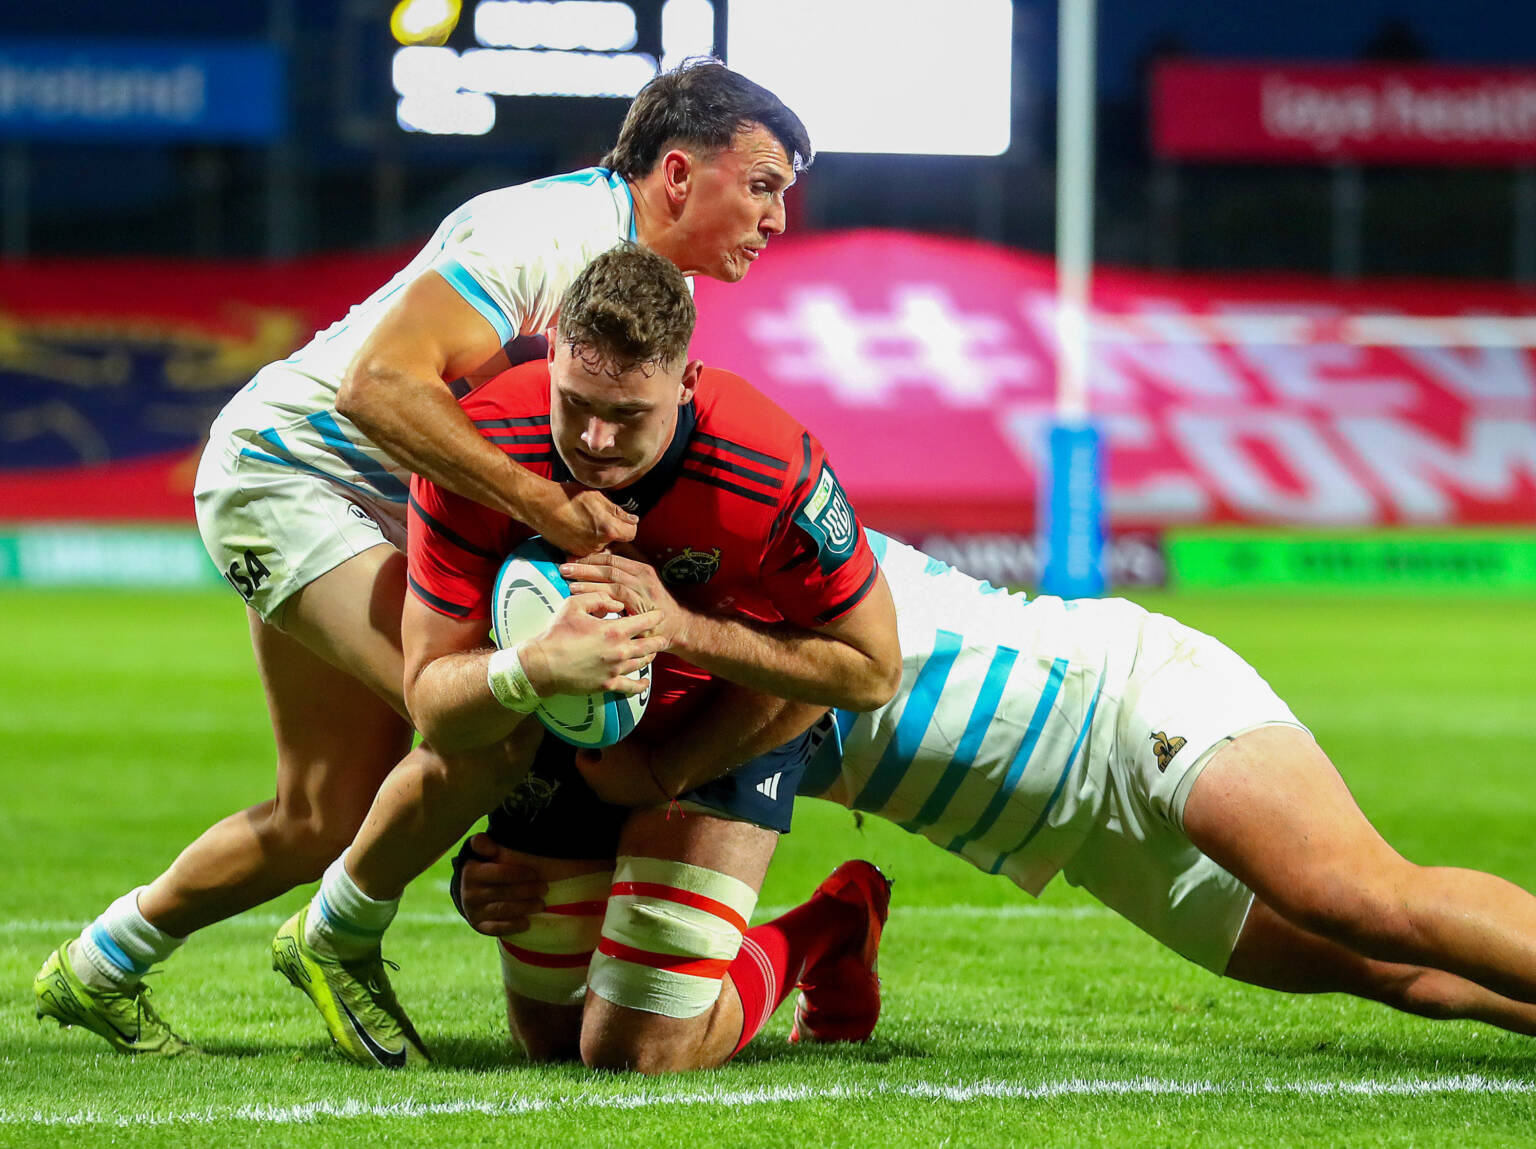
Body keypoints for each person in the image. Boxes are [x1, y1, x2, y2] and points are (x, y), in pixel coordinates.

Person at [33, 58, 814, 1056]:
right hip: (294, 481)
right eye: (762, 186)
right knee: (489, 714)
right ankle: (337, 938)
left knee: (323, 814)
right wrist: (549, 510)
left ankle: (100, 968)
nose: (777, 218)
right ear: (676, 172)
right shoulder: (545, 237)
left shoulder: (637, 280)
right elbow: (379, 389)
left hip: (363, 499)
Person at [463, 529, 1536, 1045]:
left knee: (1356, 897)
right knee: (1400, 976)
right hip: (1083, 841)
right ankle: (832, 928)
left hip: (1123, 699)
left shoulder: (766, 566)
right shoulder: (663, 661)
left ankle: (829, 932)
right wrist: (491, 872)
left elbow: (690, 758)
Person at [270, 243, 901, 1069]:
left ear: (685, 381)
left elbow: (870, 668)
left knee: (638, 1049)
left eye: (629, 415)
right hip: (563, 716)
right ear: (556, 351)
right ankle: (626, 885)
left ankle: (826, 927)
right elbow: (432, 700)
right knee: (552, 1041)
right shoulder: (481, 449)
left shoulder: (768, 464)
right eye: (575, 402)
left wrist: (679, 635)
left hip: (725, 715)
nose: (595, 437)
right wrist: (533, 671)